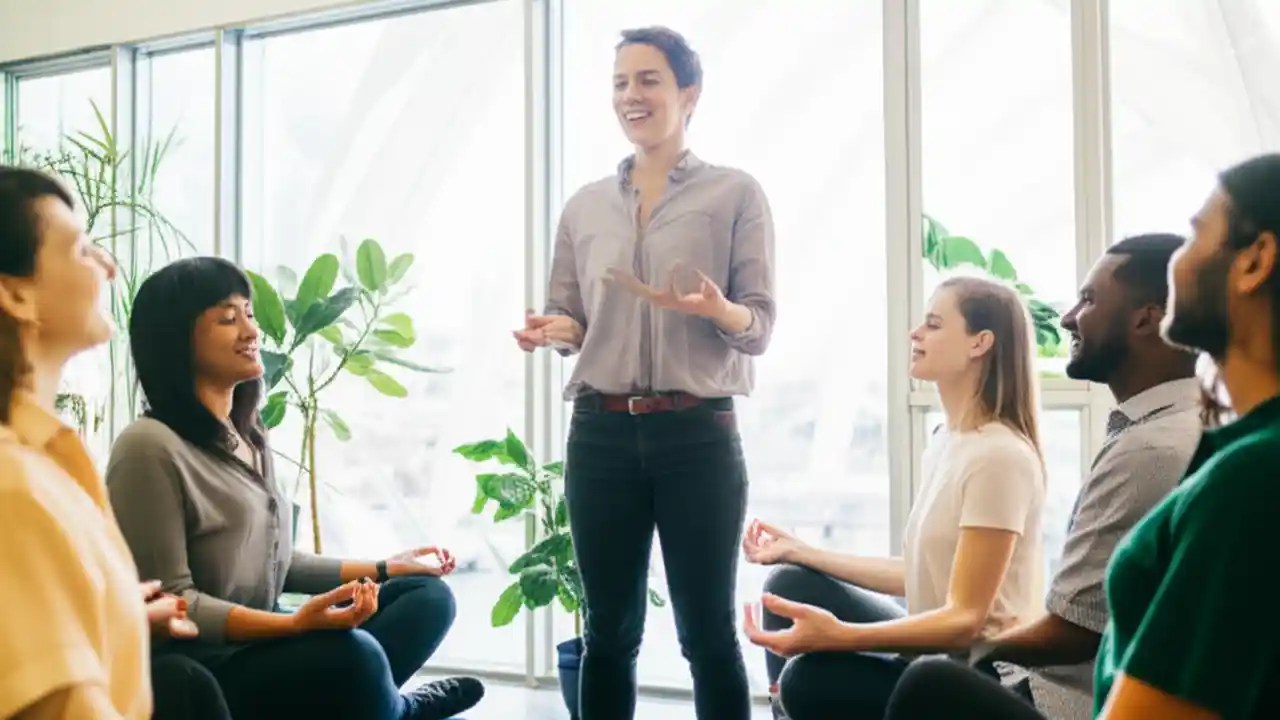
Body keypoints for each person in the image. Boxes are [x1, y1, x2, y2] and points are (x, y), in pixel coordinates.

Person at [887, 153, 1280, 719]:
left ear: (1255, 261)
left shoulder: (1242, 476)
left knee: (927, 686)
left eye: (1196, 235)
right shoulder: (1223, 446)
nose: (1068, 318)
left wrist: (938, 643)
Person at [512, 26, 774, 720]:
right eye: (621, 82)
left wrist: (721, 309)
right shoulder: (584, 206)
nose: (632, 95)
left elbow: (760, 326)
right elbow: (570, 317)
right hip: (599, 437)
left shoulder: (734, 195)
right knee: (608, 633)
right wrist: (554, 330)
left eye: (648, 80)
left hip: (699, 437)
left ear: (689, 94)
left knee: (708, 635)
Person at [105, 256, 484, 720]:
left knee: (426, 597)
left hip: (271, 637)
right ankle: (399, 711)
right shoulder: (148, 448)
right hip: (214, 662)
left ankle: (376, 706)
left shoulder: (248, 434)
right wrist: (293, 626)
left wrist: (388, 567)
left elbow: (280, 563)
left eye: (248, 312)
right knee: (356, 656)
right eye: (228, 318)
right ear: (176, 341)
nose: (250, 330)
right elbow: (173, 604)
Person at [878, 234, 1202, 720]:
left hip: (1071, 699)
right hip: (1065, 676)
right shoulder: (1161, 428)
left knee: (925, 682)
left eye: (1089, 300)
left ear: (1146, 318)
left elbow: (1073, 631)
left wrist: (971, 652)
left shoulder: (1148, 450)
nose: (1069, 317)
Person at [742, 275, 1045, 720]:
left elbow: (966, 620)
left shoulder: (999, 456)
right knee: (790, 582)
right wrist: (805, 552)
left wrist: (838, 635)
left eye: (934, 324)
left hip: (981, 676)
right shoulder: (948, 441)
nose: (915, 333)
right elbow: (920, 575)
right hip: (935, 656)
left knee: (806, 679)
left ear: (980, 343)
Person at [0, 166, 229, 720]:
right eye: (81, 249)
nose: (109, 264)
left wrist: (115, 612)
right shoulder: (16, 486)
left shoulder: (44, 462)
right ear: (14, 294)